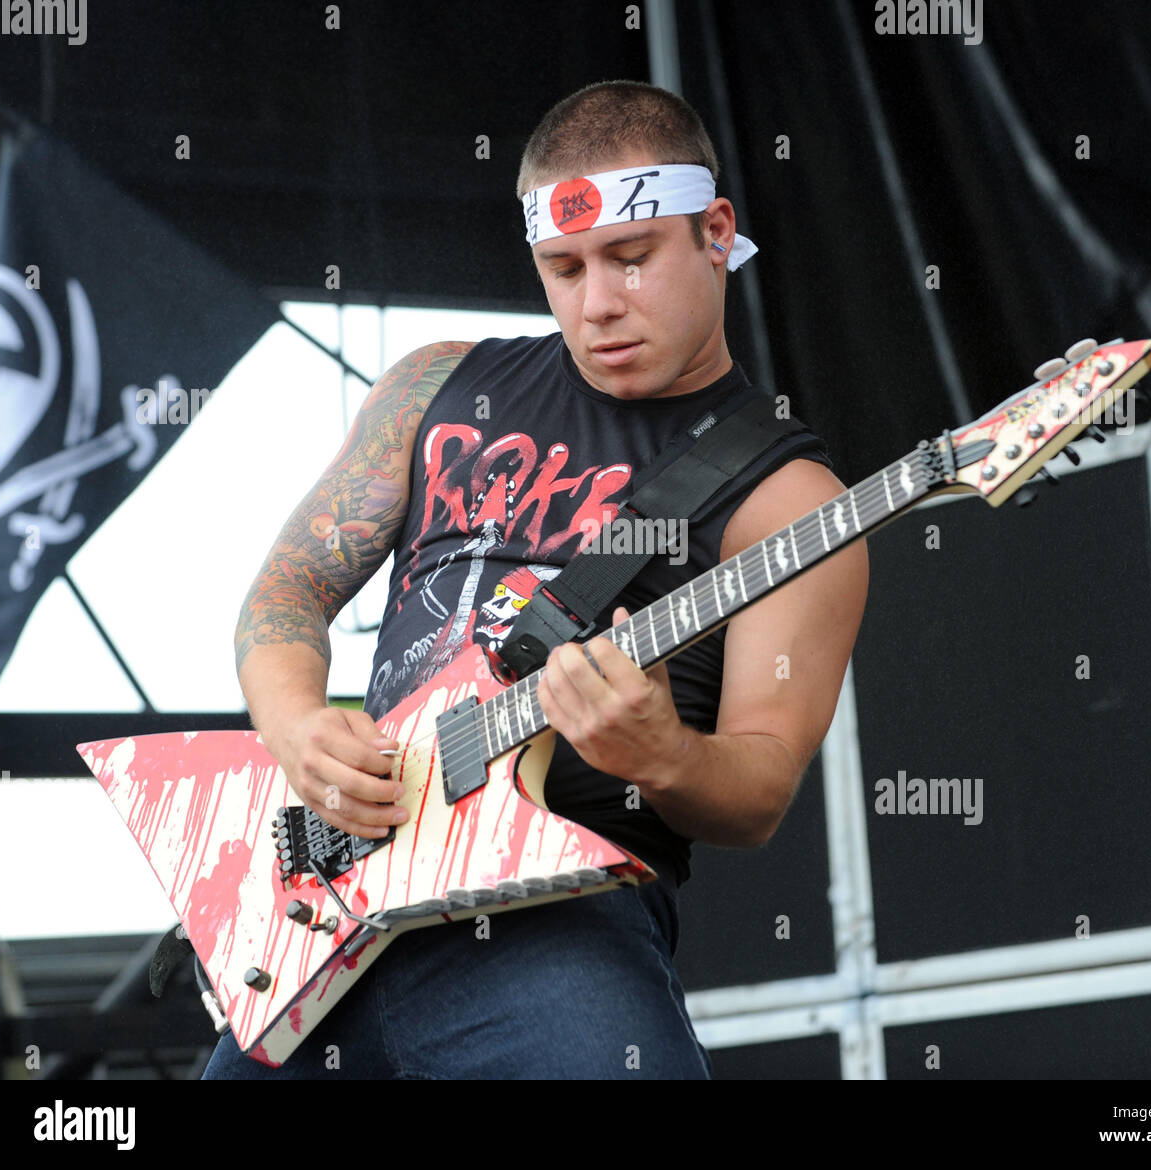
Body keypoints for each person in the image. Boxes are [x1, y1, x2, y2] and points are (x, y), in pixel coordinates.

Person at [202, 80, 868, 1080]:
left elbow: (758, 790)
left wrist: (662, 754)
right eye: (561, 268)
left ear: (716, 232)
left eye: (631, 259)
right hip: (334, 920)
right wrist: (298, 727)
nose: (596, 303)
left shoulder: (790, 500)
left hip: (557, 915)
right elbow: (287, 592)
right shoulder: (433, 384)